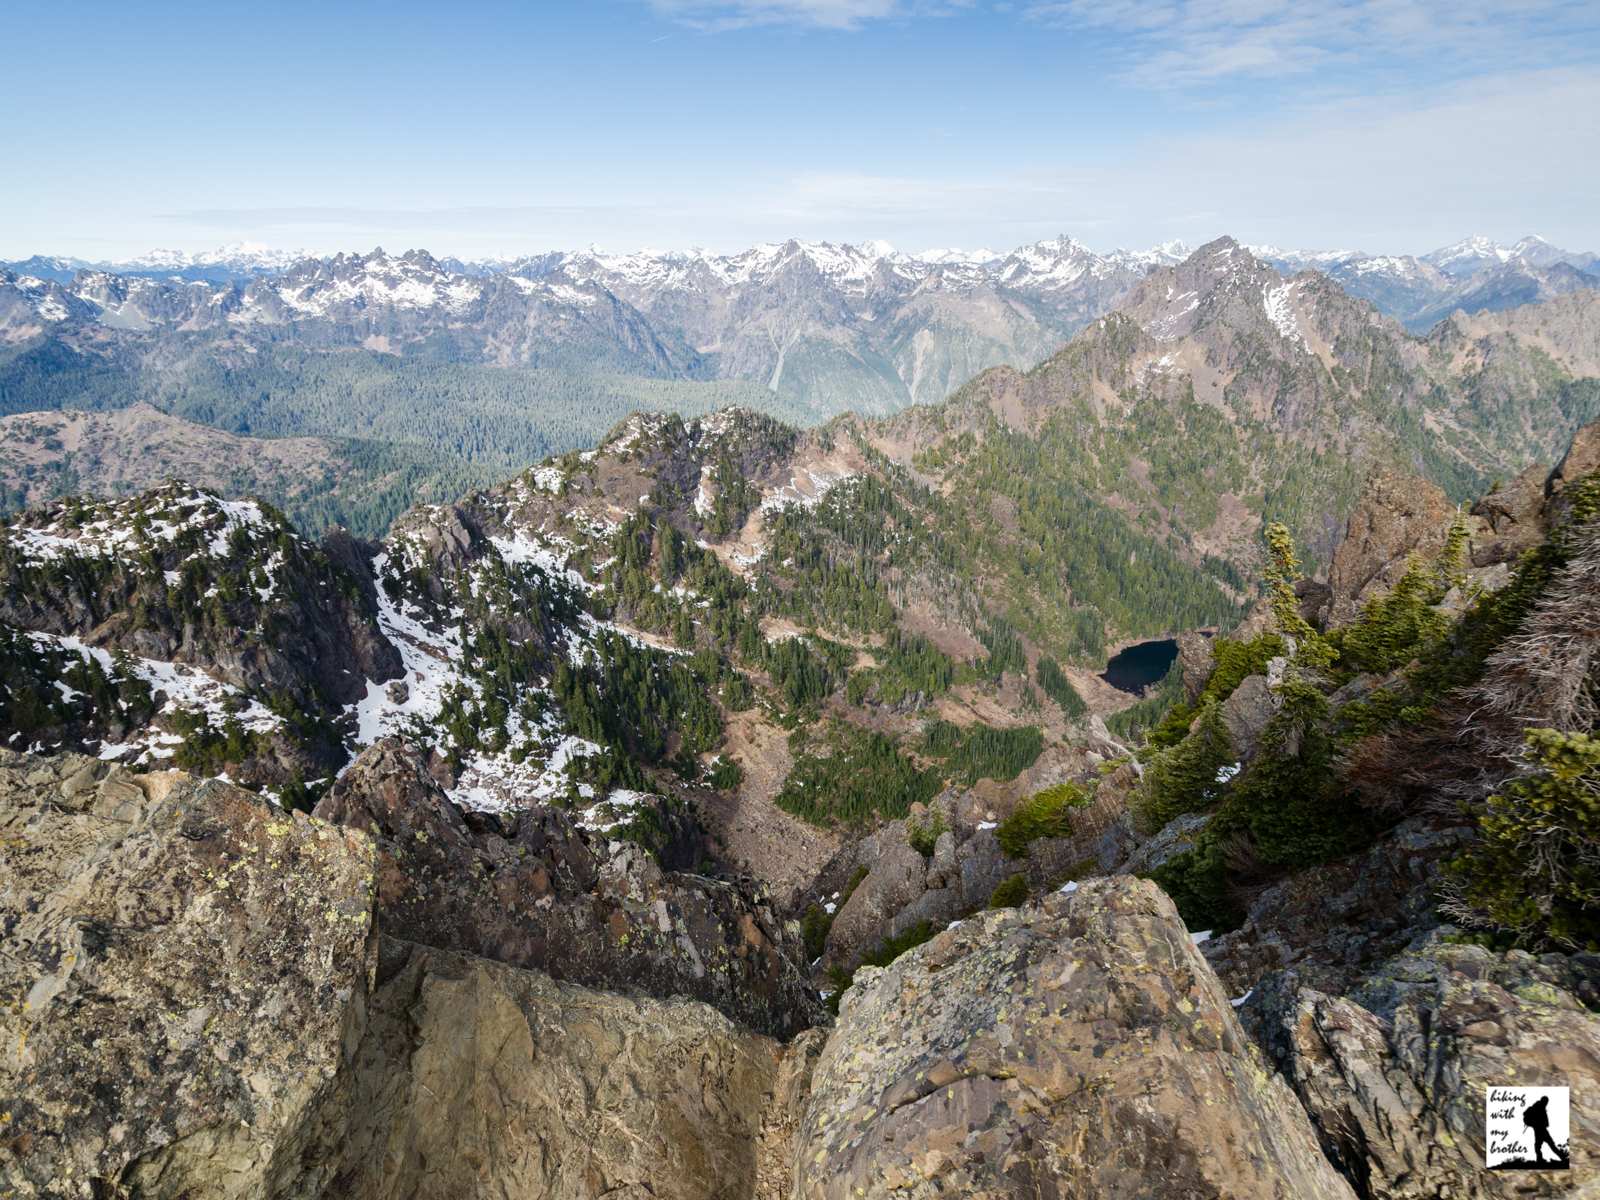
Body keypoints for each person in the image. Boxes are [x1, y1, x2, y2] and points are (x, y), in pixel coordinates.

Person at [1523, 1096, 1562, 1166]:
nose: (1547, 1103)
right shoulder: (1541, 1107)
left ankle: (1539, 1159)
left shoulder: (1536, 1106)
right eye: (1546, 1102)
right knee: (1550, 1144)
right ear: (1545, 1101)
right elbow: (1546, 1122)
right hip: (1542, 1129)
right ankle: (1563, 1157)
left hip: (1537, 1129)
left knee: (1538, 1145)